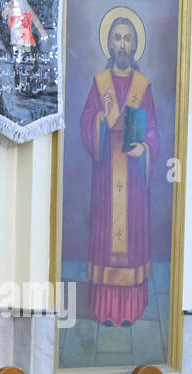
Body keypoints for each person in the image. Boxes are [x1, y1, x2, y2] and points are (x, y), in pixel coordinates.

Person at [79, 16, 158, 327]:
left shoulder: (144, 86)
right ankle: (105, 309)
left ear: (134, 44)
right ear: (110, 44)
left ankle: (130, 309)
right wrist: (100, 117)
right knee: (105, 236)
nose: (123, 43)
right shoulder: (100, 83)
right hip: (106, 174)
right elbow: (86, 120)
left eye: (128, 38)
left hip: (135, 175)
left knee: (132, 237)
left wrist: (145, 147)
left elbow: (154, 130)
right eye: (118, 38)